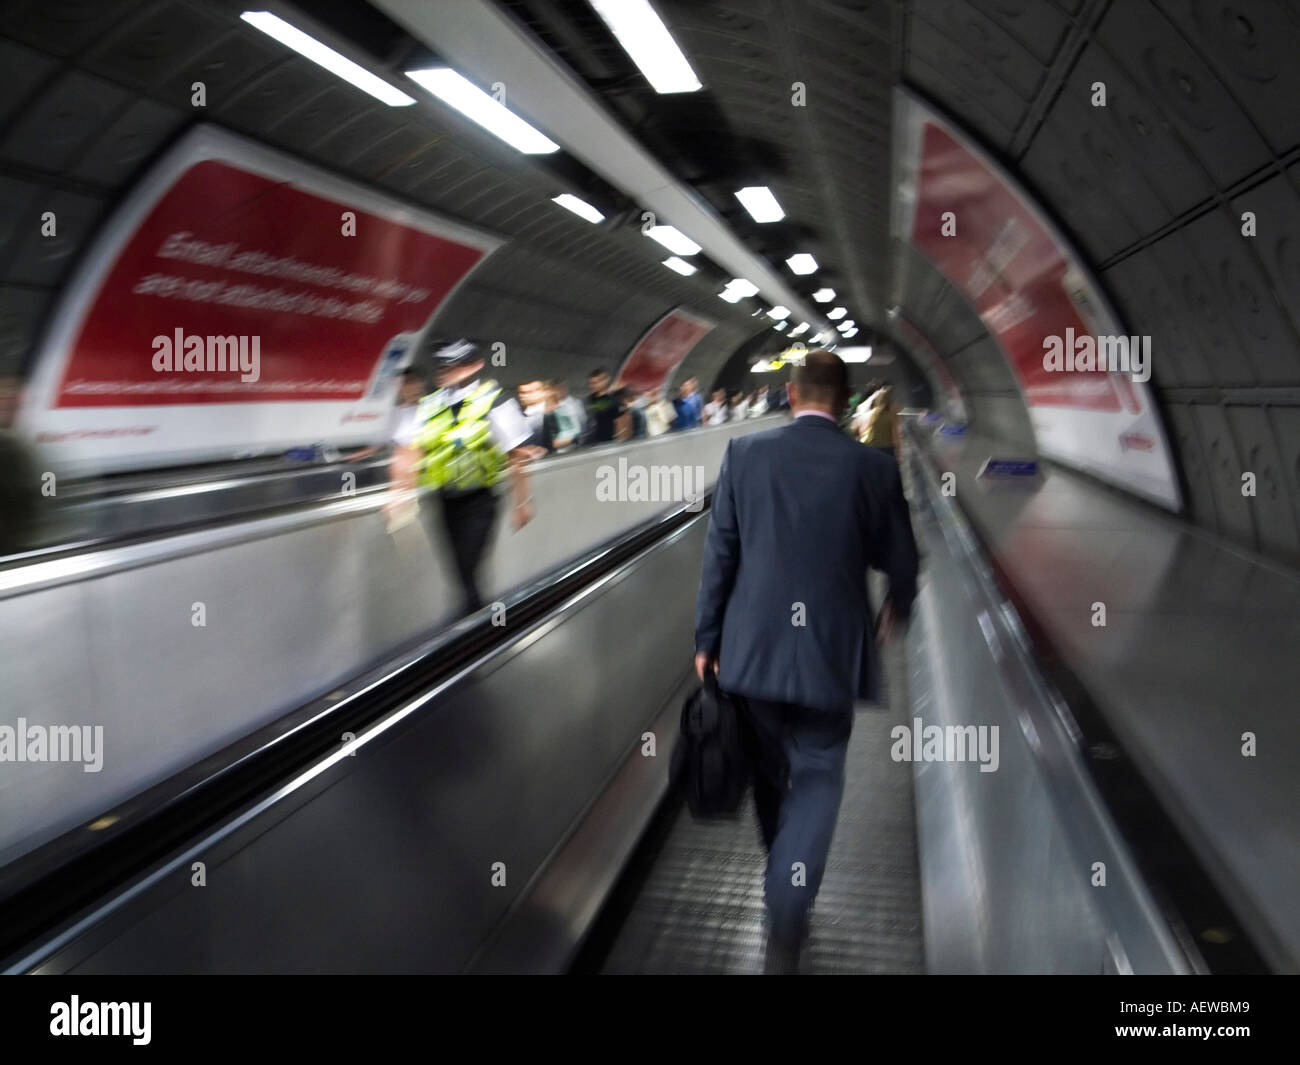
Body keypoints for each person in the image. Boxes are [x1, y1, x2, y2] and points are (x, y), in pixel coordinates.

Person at [693, 349, 919, 973]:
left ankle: (780, 876)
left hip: (752, 650)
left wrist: (706, 639)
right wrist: (896, 607)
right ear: (844, 403)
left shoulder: (745, 455)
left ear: (790, 395)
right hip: (832, 651)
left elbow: (721, 556)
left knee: (770, 776)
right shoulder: (871, 467)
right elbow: (901, 560)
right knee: (817, 777)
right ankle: (787, 914)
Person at [398, 338, 536, 617]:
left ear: (474, 366)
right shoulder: (430, 404)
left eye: (453, 364)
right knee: (456, 567)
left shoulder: (494, 401)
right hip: (444, 500)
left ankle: (470, 623)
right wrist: (400, 490)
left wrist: (523, 503)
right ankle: (475, 617)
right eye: (441, 363)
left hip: (479, 501)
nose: (444, 368)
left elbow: (516, 454)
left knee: (468, 563)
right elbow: (410, 449)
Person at [584, 368, 628, 445]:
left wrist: (621, 451)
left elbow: (622, 426)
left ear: (606, 380)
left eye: (598, 381)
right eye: (593, 382)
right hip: (591, 444)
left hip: (610, 443)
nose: (594, 385)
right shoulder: (589, 400)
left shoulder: (616, 400)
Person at [859, 384, 901, 458]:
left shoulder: (869, 414)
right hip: (887, 449)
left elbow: (862, 432)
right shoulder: (891, 416)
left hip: (872, 449)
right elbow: (895, 436)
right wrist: (898, 453)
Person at [539, 380, 580, 454]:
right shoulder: (540, 413)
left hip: (564, 451)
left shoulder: (562, 410)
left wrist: (573, 438)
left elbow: (574, 432)